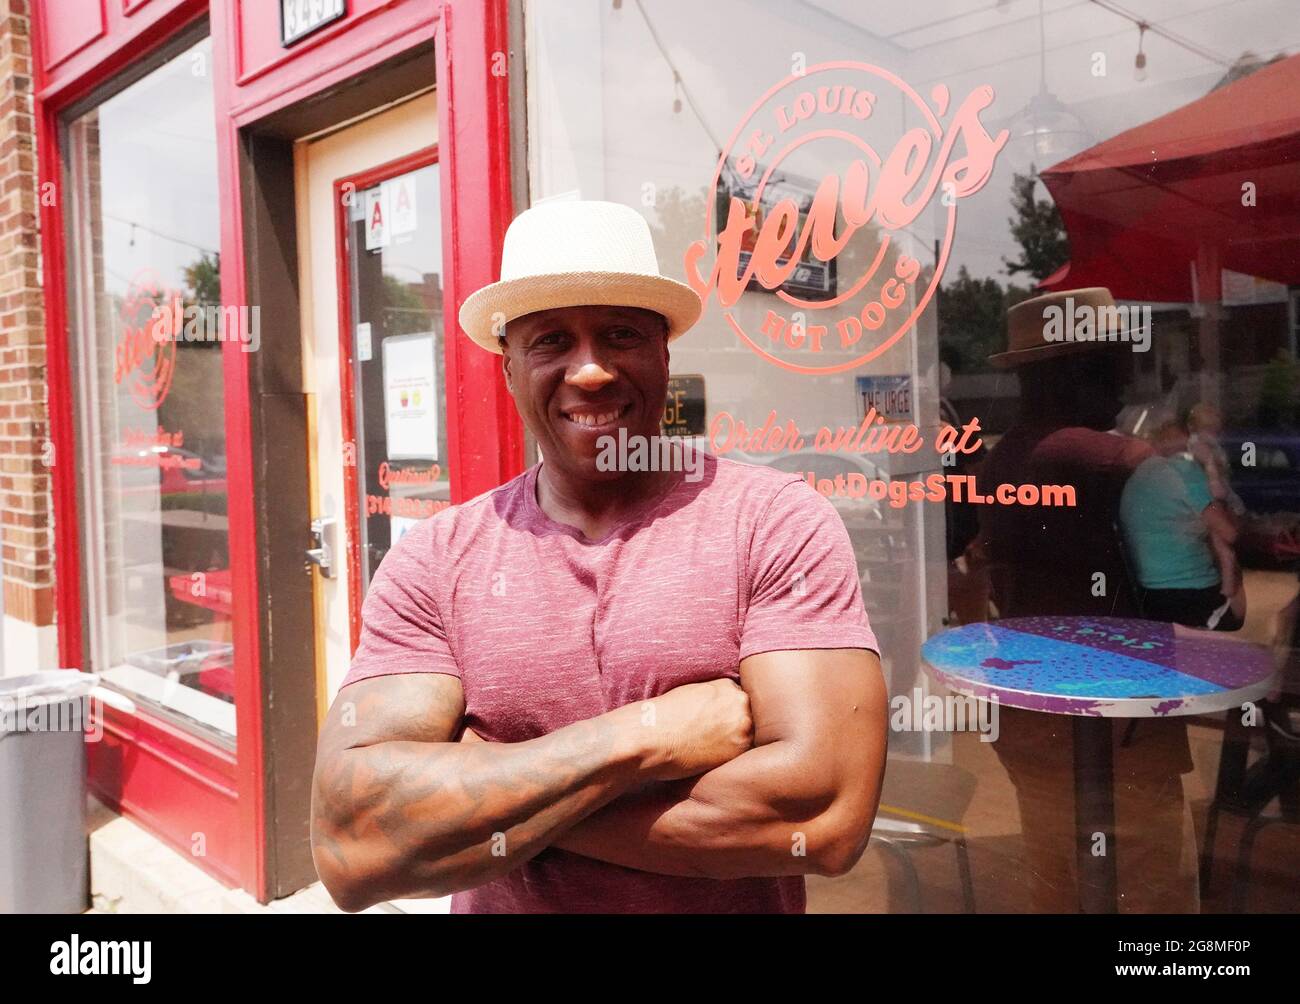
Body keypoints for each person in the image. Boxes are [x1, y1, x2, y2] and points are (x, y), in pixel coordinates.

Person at [309, 200, 889, 914]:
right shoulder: (436, 558)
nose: (589, 371)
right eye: (551, 340)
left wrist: (479, 793)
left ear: (664, 355)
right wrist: (641, 741)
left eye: (621, 334)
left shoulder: (773, 523)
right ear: (510, 370)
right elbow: (351, 839)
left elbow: (822, 816)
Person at [969, 287, 1199, 913]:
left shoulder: (1000, 463)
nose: (1125, 379)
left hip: (1031, 716)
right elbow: (1195, 601)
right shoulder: (1121, 460)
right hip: (1125, 727)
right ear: (1075, 370)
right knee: (1152, 904)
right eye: (1109, 360)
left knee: (1058, 884)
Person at [1122, 416, 1245, 630]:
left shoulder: (1140, 472)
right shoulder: (1186, 472)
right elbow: (1230, 532)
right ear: (1189, 439)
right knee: (1234, 584)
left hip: (1148, 595)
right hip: (1191, 593)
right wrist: (1210, 467)